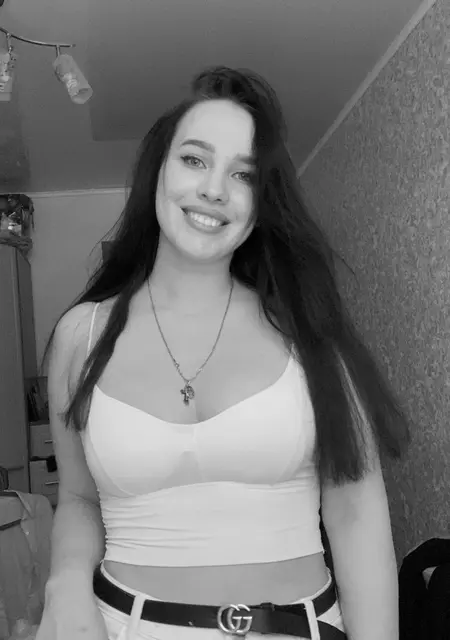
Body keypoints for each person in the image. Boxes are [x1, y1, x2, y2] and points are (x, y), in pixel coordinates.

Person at [36, 66, 409, 640]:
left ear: (262, 201)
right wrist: (63, 587)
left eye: (243, 174)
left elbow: (355, 508)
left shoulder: (308, 331)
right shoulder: (80, 338)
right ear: (157, 172)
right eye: (194, 159)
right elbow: (80, 499)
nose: (214, 189)